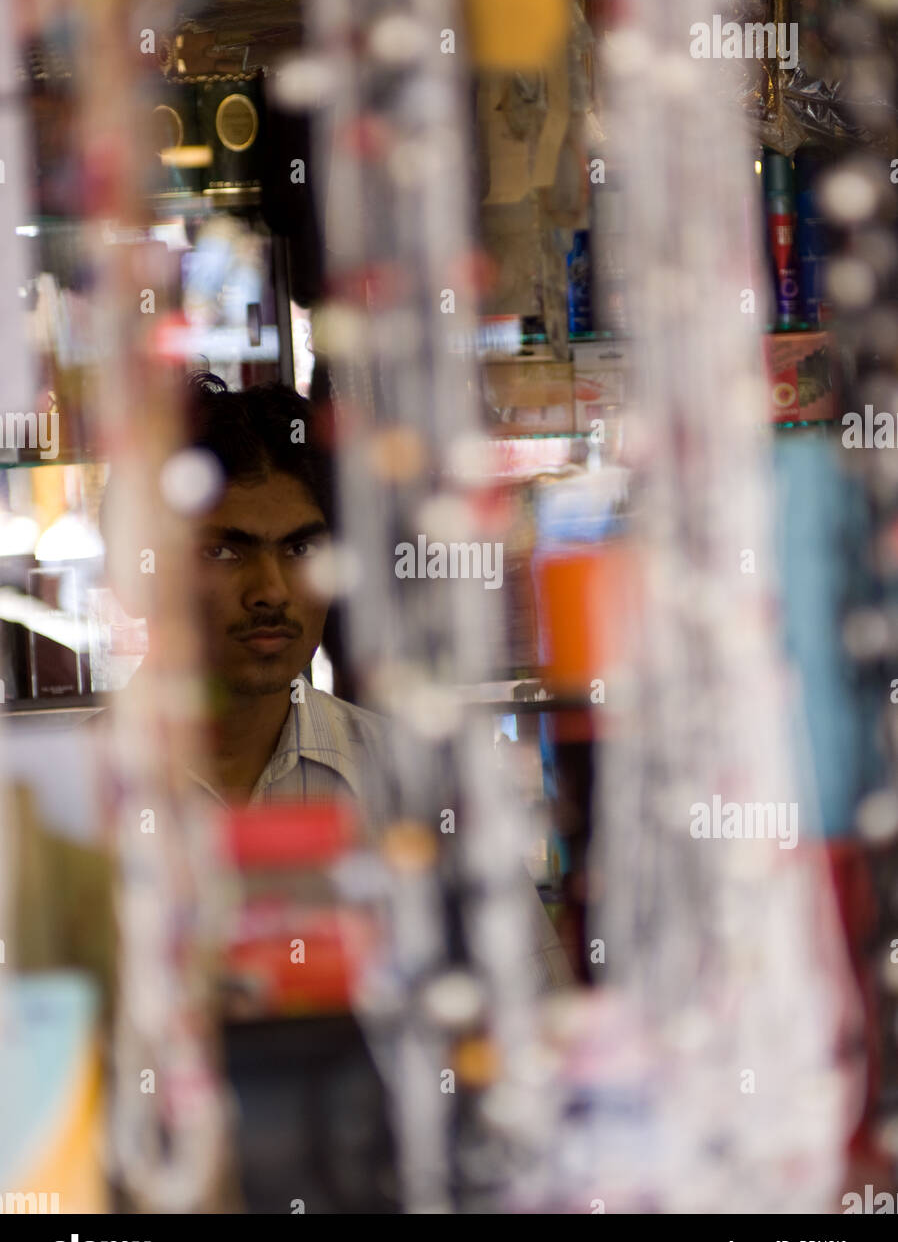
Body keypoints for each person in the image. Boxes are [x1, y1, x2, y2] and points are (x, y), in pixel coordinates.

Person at [104, 372, 573, 992]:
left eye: (301, 550)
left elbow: (530, 1011)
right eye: (225, 551)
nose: (271, 591)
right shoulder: (62, 798)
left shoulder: (420, 785)